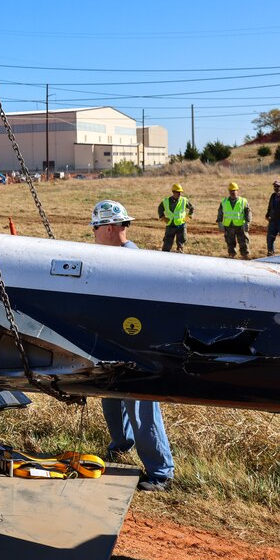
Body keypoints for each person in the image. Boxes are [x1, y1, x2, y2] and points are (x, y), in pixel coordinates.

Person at [89, 199, 175, 492]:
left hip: (136, 346)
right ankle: (121, 445)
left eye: (95, 228)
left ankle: (160, 472)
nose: (93, 234)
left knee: (140, 405)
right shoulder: (116, 257)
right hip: (115, 341)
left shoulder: (132, 261)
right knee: (111, 397)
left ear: (109, 228)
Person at [216, 182, 251, 259]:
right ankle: (231, 256)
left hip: (240, 226)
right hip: (228, 226)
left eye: (234, 190)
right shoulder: (224, 201)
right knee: (230, 243)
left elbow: (248, 212)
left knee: (244, 242)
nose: (232, 192)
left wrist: (247, 222)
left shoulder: (243, 201)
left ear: (237, 190)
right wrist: (219, 222)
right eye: (231, 190)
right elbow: (220, 212)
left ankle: (245, 256)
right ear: (229, 191)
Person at [157, 183, 194, 253]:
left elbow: (192, 208)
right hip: (170, 225)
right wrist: (162, 217)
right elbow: (160, 209)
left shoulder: (184, 200)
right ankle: (164, 256)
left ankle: (180, 253)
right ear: (173, 192)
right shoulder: (166, 201)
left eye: (180, 192)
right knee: (167, 244)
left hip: (181, 225)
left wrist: (189, 216)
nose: (179, 194)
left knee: (181, 244)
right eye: (177, 192)